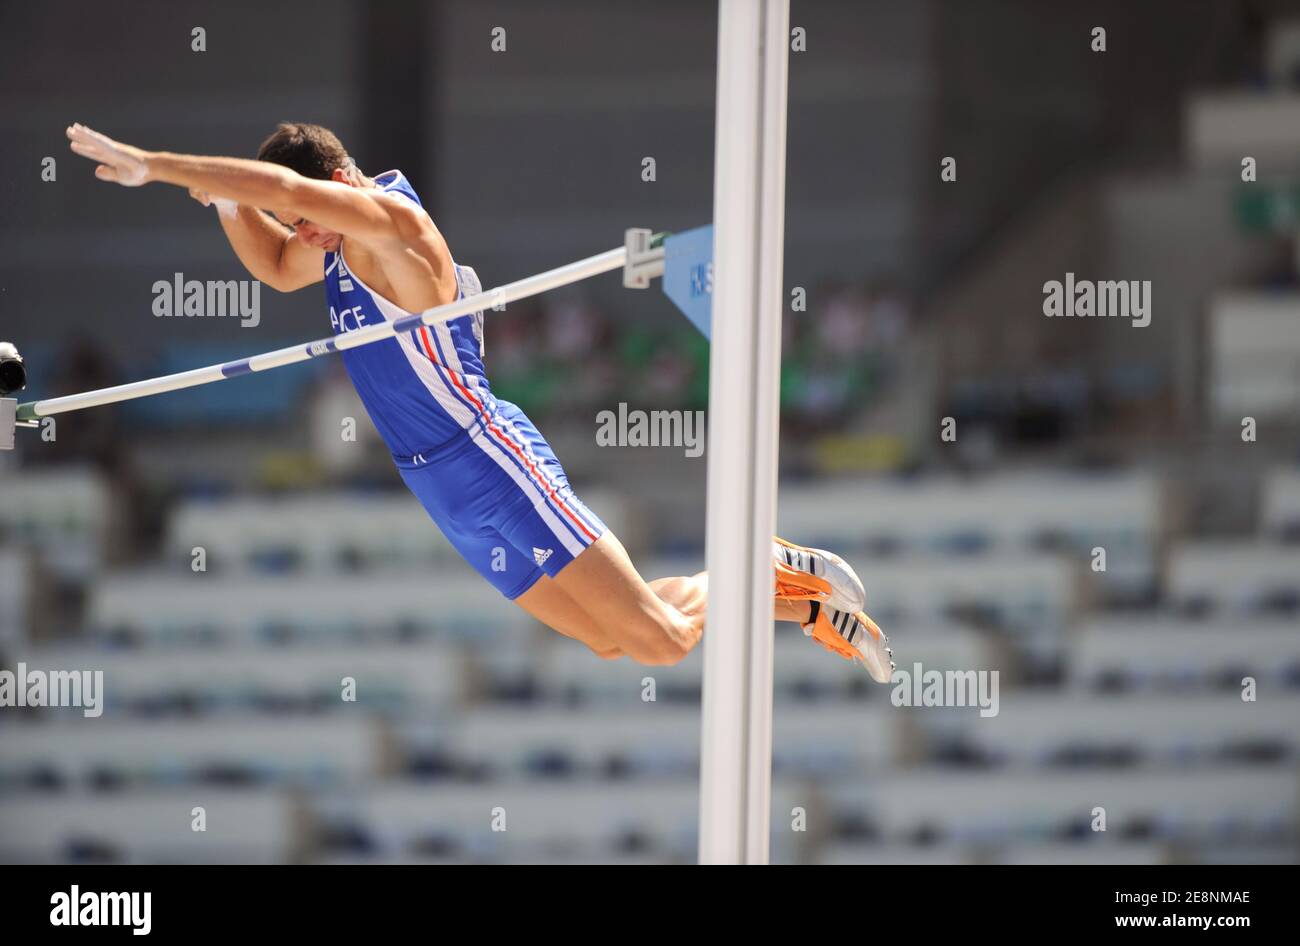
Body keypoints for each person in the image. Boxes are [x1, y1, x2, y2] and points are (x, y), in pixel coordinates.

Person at [65, 121, 893, 679]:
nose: (303, 238)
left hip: (489, 457)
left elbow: (306, 211)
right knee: (613, 638)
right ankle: (790, 591)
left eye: (305, 216)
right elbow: (276, 265)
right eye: (294, 221)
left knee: (664, 641)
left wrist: (163, 166)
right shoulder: (329, 249)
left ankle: (765, 565)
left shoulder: (390, 227)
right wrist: (227, 203)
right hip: (439, 489)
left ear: (340, 185)